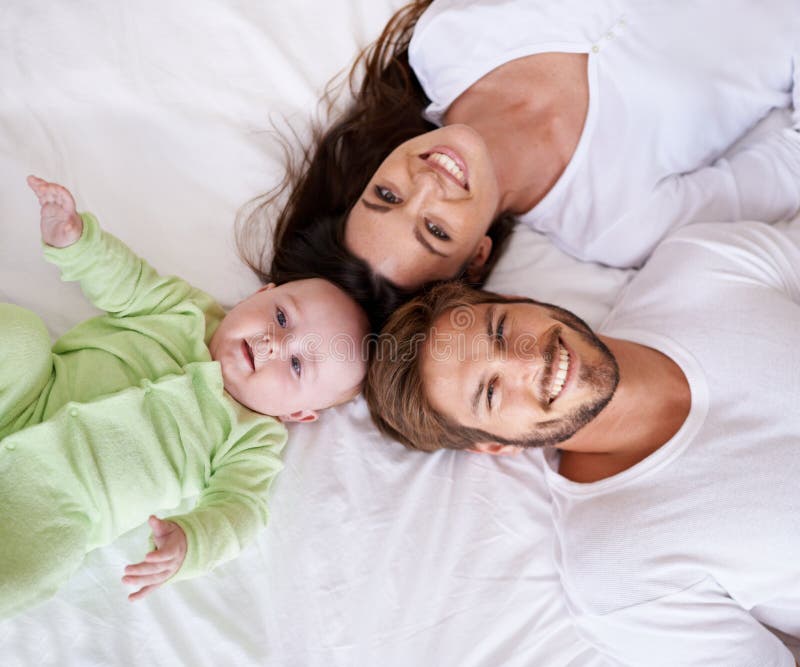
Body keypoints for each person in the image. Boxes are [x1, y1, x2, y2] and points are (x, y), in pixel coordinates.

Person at [364, 219, 800, 665]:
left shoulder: (701, 267)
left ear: (521, 301)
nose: (528, 361)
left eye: (500, 330)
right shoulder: (619, 578)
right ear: (496, 445)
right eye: (491, 392)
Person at [241, 0, 800, 322]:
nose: (427, 185)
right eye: (434, 230)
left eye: (386, 196)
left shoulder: (445, 43)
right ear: (476, 257)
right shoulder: (616, 223)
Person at [0, 176, 369, 620]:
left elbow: (241, 511)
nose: (273, 343)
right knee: (20, 338)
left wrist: (191, 542)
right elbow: (128, 282)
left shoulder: (252, 441)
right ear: (261, 293)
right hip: (28, 394)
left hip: (54, 498)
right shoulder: (187, 309)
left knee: (38, 562)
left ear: (298, 413)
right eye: (282, 317)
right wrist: (76, 241)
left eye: (296, 366)